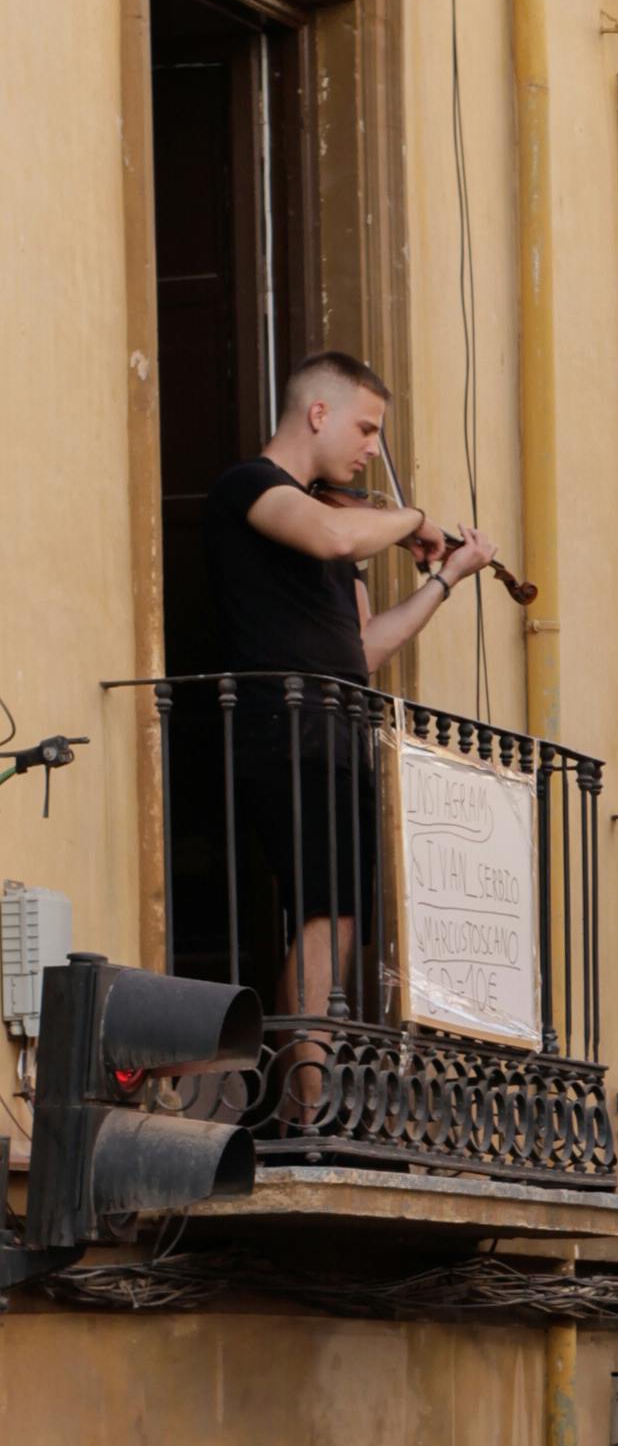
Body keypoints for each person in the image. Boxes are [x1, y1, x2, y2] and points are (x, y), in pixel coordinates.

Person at [202, 351, 495, 1039]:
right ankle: (304, 1116)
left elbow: (362, 649)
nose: (372, 449)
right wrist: (413, 517)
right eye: (366, 430)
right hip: (286, 729)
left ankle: (304, 1099)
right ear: (317, 413)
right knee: (325, 913)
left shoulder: (336, 530)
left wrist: (444, 580)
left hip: (332, 734)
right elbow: (332, 534)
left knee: (336, 917)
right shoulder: (252, 485)